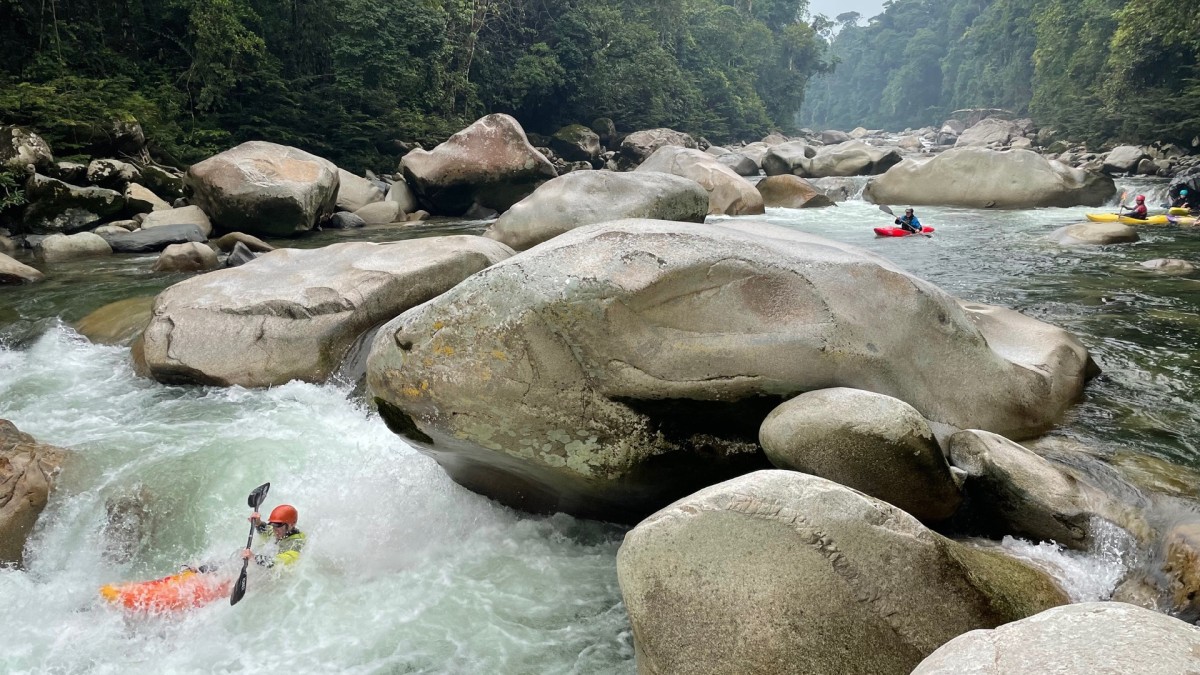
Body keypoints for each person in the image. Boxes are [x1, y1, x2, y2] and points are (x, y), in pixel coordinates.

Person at [242, 504, 306, 568]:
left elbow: (279, 562)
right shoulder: (281, 532)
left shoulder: (297, 543)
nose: (275, 530)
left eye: (278, 525)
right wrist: (258, 523)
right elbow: (267, 531)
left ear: (292, 524)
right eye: (273, 525)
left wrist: (254, 558)